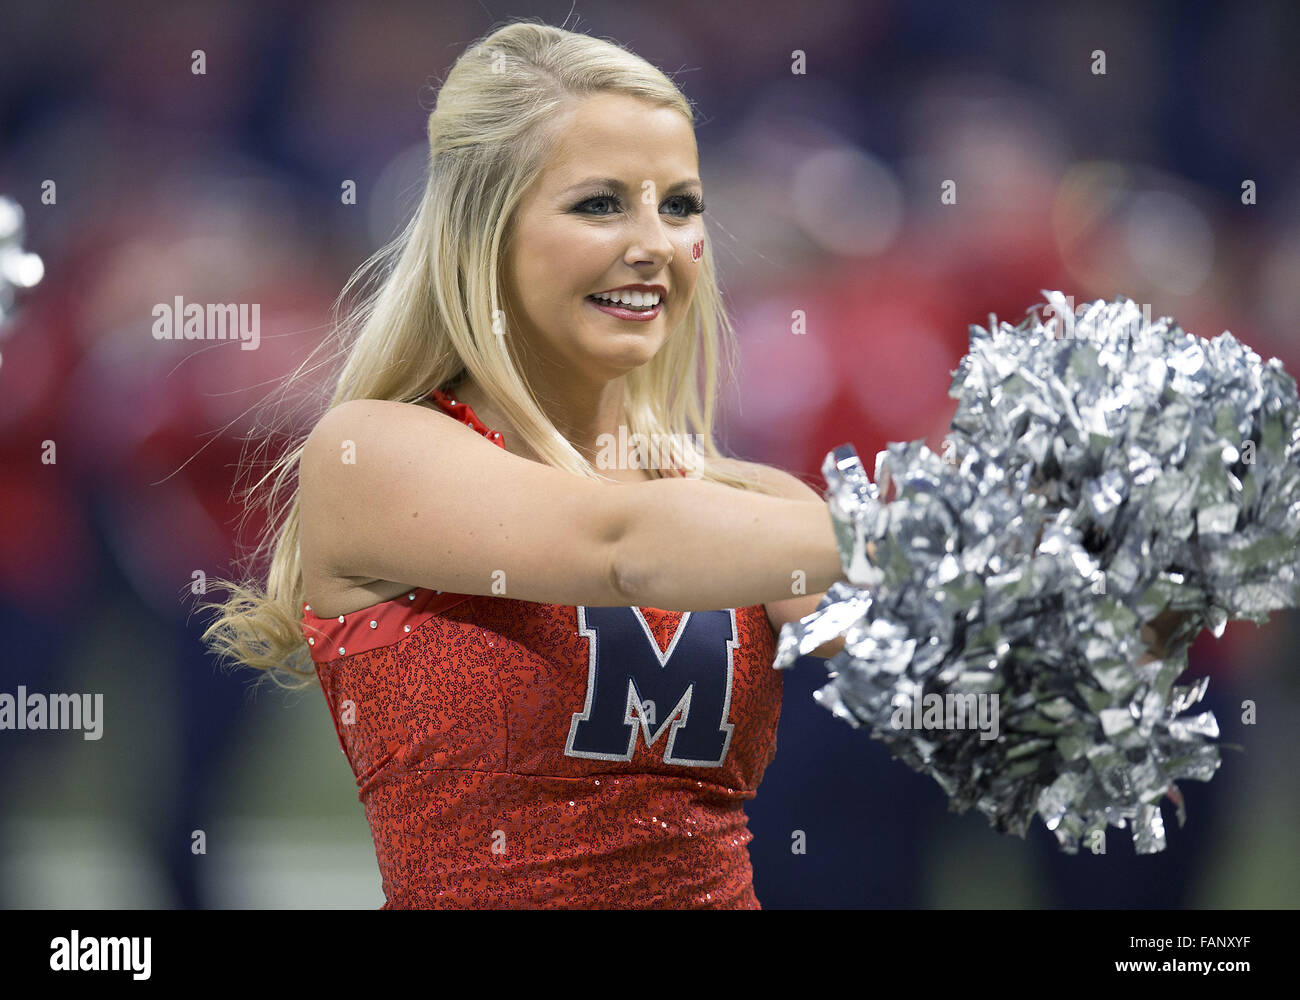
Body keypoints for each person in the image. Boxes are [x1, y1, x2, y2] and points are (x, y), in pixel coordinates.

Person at [201, 20, 849, 909]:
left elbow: (953, 686)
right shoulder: (374, 451)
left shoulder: (753, 504)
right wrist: (923, 525)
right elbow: (621, 545)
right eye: (599, 204)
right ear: (483, 231)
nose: (654, 243)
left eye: (681, 205)